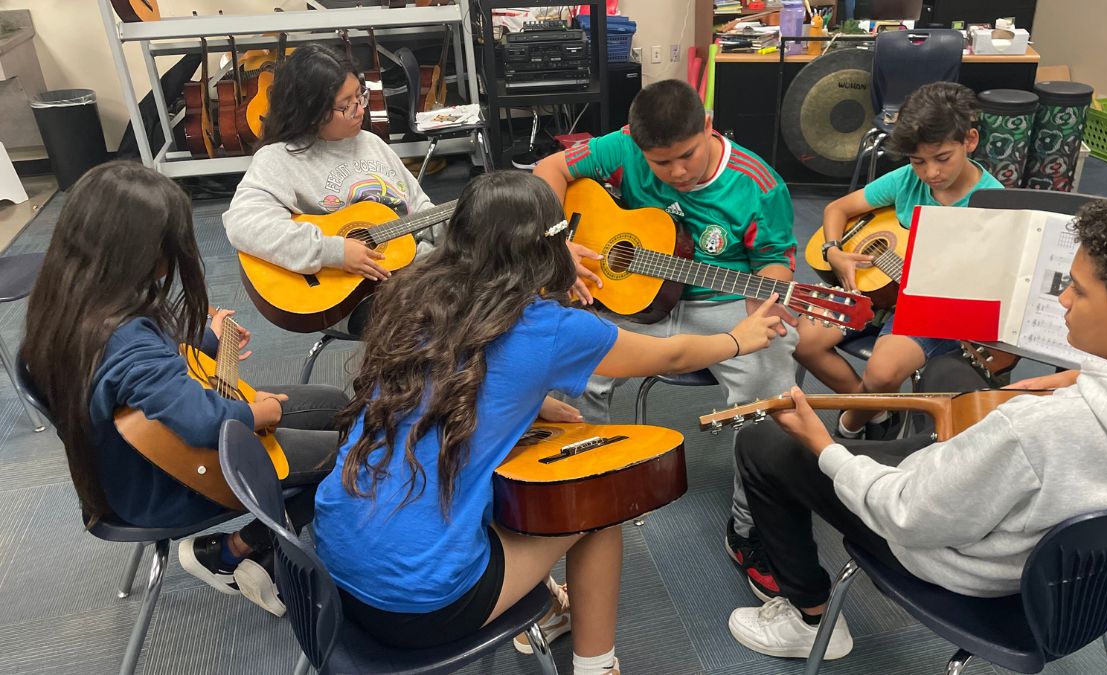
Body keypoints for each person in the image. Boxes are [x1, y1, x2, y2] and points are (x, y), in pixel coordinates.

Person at [312, 171, 783, 675]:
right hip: (419, 605)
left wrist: (529, 403)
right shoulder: (551, 327)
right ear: (552, 245)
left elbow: (445, 379)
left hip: (332, 570)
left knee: (505, 475)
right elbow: (671, 355)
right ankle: (597, 667)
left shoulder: (413, 293)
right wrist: (740, 339)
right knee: (597, 507)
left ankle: (551, 613)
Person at [727, 184, 1107, 660]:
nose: (1062, 300)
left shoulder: (1037, 428)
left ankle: (808, 618)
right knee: (946, 370)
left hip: (961, 563)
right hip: (1074, 575)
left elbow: (905, 516)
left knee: (763, 443)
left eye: (1078, 288)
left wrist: (823, 447)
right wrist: (1080, 376)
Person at [21, 161, 349, 616]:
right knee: (355, 454)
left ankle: (267, 537)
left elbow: (144, 367)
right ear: (140, 252)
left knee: (336, 405)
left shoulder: (73, 296)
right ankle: (232, 552)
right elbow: (201, 423)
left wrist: (208, 341)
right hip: (161, 483)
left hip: (123, 465)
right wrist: (260, 414)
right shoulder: (125, 339)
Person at [533, 78, 800, 601]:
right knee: (571, 367)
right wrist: (558, 240)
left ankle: (749, 527)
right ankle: (586, 494)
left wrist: (765, 301)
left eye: (687, 155)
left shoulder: (759, 184)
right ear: (637, 144)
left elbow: (773, 259)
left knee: (770, 390)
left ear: (708, 126)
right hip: (630, 297)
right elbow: (550, 169)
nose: (677, 172)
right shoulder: (622, 146)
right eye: (661, 163)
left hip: (720, 301)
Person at [794, 81, 1005, 441]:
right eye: (918, 161)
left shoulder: (992, 203)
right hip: (875, 288)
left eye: (942, 158)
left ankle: (851, 423)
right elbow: (838, 208)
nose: (930, 173)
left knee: (882, 372)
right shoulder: (907, 180)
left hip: (930, 305)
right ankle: (879, 410)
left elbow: (990, 283)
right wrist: (834, 251)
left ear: (970, 140)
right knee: (803, 341)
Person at [223, 44, 437, 336]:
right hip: (357, 295)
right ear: (311, 112)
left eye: (360, 96)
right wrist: (334, 251)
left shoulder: (372, 143)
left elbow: (421, 210)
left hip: (422, 268)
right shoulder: (280, 159)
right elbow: (243, 225)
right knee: (455, 316)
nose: (360, 109)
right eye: (345, 105)